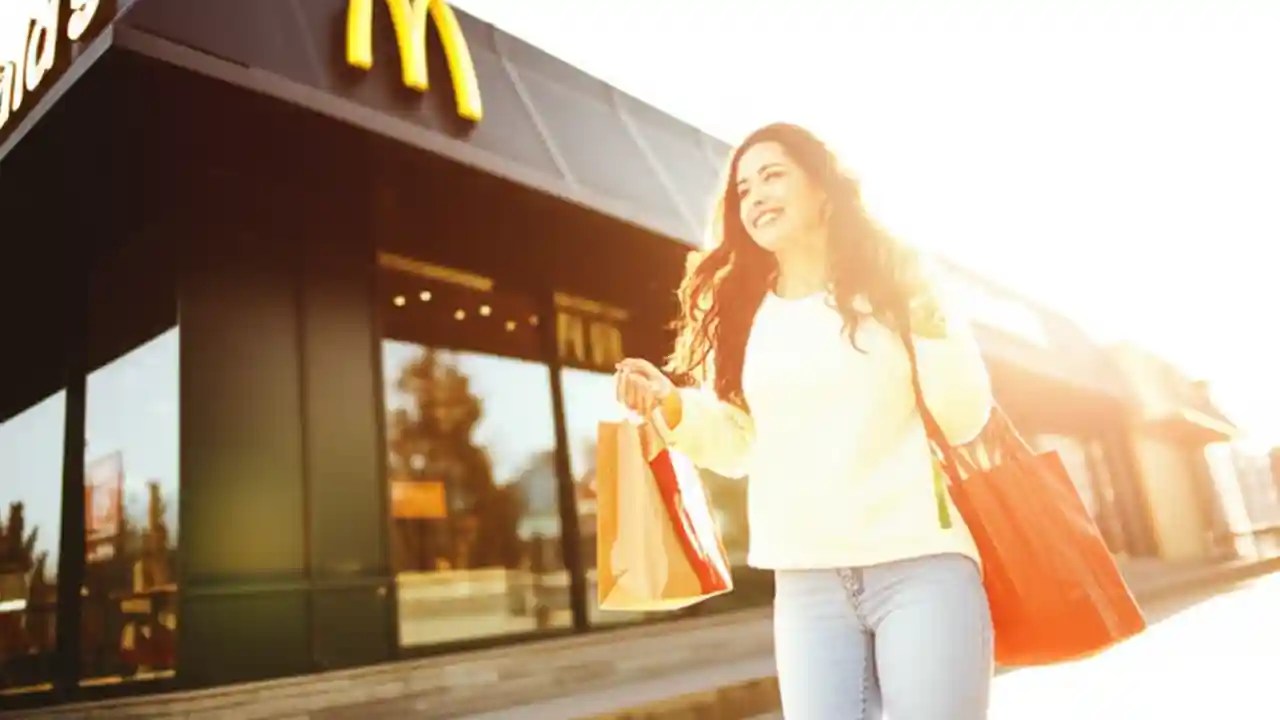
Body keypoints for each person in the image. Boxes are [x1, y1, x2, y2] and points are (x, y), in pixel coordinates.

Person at [614, 122, 995, 719]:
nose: (756, 196)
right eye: (743, 188)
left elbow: (964, 417)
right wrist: (672, 405)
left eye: (773, 176)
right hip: (807, 583)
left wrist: (930, 319)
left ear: (822, 189)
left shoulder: (896, 286)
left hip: (920, 565)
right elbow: (741, 444)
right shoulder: (744, 315)